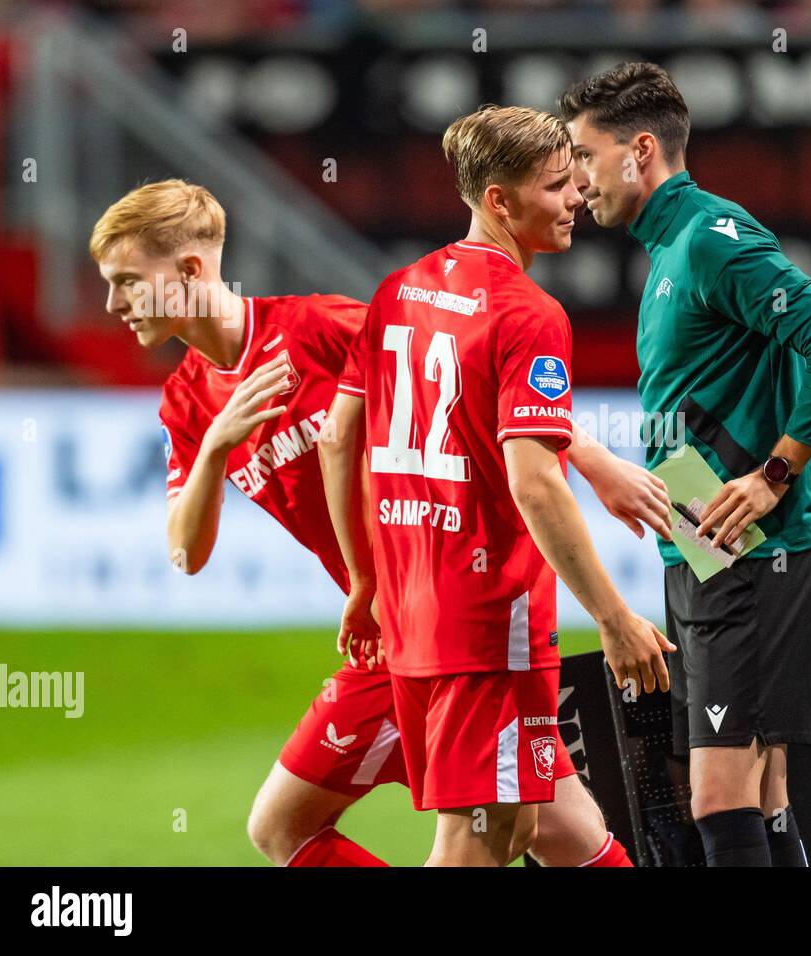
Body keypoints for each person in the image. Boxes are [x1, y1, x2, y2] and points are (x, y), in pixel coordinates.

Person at [91, 178, 660, 867]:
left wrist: (593, 459)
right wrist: (214, 448)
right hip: (391, 633)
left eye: (126, 281)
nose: (114, 303)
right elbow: (186, 553)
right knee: (557, 835)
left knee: (490, 835)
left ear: (186, 270)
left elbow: (464, 362)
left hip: (444, 615)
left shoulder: (315, 328)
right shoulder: (185, 402)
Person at [322, 105, 674, 866]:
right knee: (476, 843)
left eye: (574, 178)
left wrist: (363, 577)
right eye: (555, 186)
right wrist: (613, 618)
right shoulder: (529, 313)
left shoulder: (398, 291)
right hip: (490, 627)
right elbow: (535, 486)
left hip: (418, 613)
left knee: (527, 828)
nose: (577, 195)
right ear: (498, 202)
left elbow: (337, 435)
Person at [559, 63, 811, 866]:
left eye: (585, 156)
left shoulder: (708, 239)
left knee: (720, 797)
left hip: (749, 554)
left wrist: (775, 476)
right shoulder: (668, 248)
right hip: (708, 545)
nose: (576, 180)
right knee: (761, 797)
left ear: (643, 150)